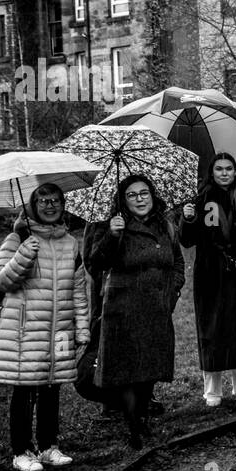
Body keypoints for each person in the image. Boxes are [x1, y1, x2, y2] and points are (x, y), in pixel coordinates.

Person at [0, 184, 90, 471]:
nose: (50, 205)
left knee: (51, 387)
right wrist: (23, 254)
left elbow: (78, 289)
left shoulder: (70, 243)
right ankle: (21, 451)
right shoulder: (18, 238)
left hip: (60, 329)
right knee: (24, 389)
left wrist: (82, 328)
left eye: (55, 200)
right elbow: (0, 281)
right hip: (26, 329)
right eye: (43, 200)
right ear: (33, 206)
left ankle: (48, 446)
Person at [87, 174, 185, 448]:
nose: (140, 199)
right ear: (123, 200)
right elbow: (95, 263)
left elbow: (177, 261)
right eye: (132, 195)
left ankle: (141, 417)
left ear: (152, 196)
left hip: (157, 307)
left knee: (150, 368)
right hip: (123, 309)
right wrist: (112, 235)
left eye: (144, 193)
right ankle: (134, 427)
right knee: (127, 371)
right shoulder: (112, 224)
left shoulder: (165, 224)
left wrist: (173, 289)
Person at [179, 153, 236, 408]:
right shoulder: (199, 199)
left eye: (229, 168)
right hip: (209, 272)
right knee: (211, 329)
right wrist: (188, 218)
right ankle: (212, 389)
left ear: (235, 171)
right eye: (219, 169)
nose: (224, 173)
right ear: (212, 172)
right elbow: (187, 240)